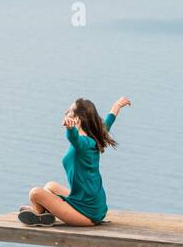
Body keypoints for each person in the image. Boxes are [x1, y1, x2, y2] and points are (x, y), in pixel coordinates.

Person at [18, 96, 131, 227]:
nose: (66, 112)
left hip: (87, 214)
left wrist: (70, 129)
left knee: (35, 193)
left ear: (78, 119)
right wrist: (116, 107)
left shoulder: (84, 143)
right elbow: (107, 124)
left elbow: (75, 139)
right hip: (93, 206)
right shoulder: (95, 136)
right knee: (50, 186)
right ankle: (43, 214)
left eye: (70, 111)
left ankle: (39, 214)